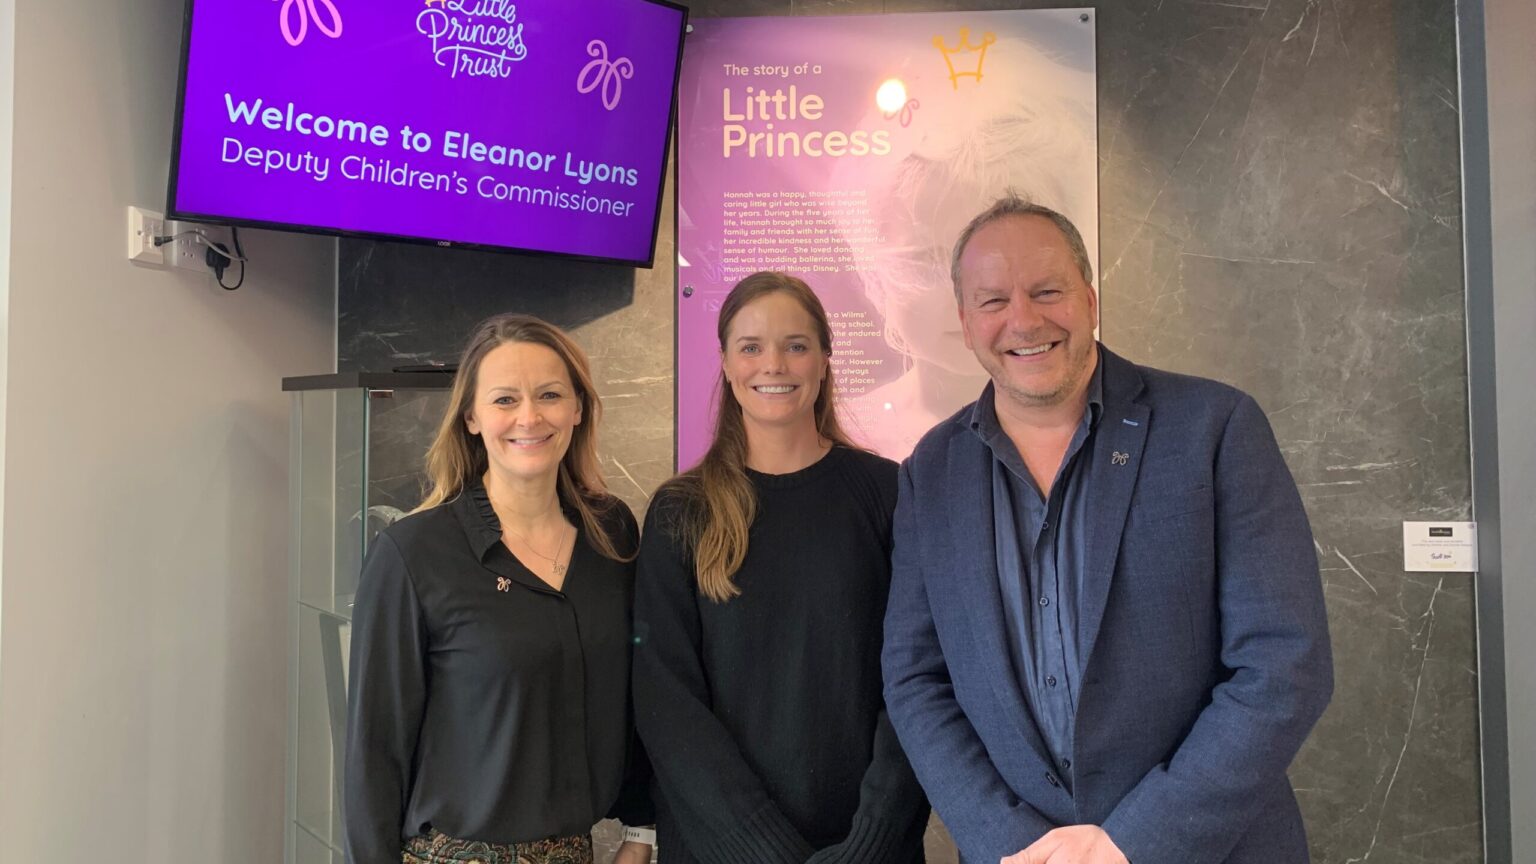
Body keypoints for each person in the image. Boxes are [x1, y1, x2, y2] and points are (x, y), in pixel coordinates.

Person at [881, 195, 1334, 864]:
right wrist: (1008, 842)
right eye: (994, 300)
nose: (1024, 320)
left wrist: (1136, 842)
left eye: (1047, 291)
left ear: (1089, 299)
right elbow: (916, 680)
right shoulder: (932, 470)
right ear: (966, 323)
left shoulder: (1214, 428)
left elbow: (1284, 664)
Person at [633, 272, 931, 863]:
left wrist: (870, 843)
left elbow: (917, 678)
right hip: (719, 850)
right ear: (725, 363)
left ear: (824, 359)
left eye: (796, 345)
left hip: (867, 851)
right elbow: (666, 700)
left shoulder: (888, 493)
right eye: (751, 347)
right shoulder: (680, 510)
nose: (774, 364)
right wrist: (764, 851)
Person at [344, 314, 654, 864]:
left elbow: (639, 689)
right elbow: (374, 754)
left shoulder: (612, 535)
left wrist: (642, 829)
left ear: (578, 408)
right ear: (471, 416)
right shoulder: (412, 554)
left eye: (549, 395)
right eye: (505, 399)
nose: (529, 417)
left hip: (577, 851)